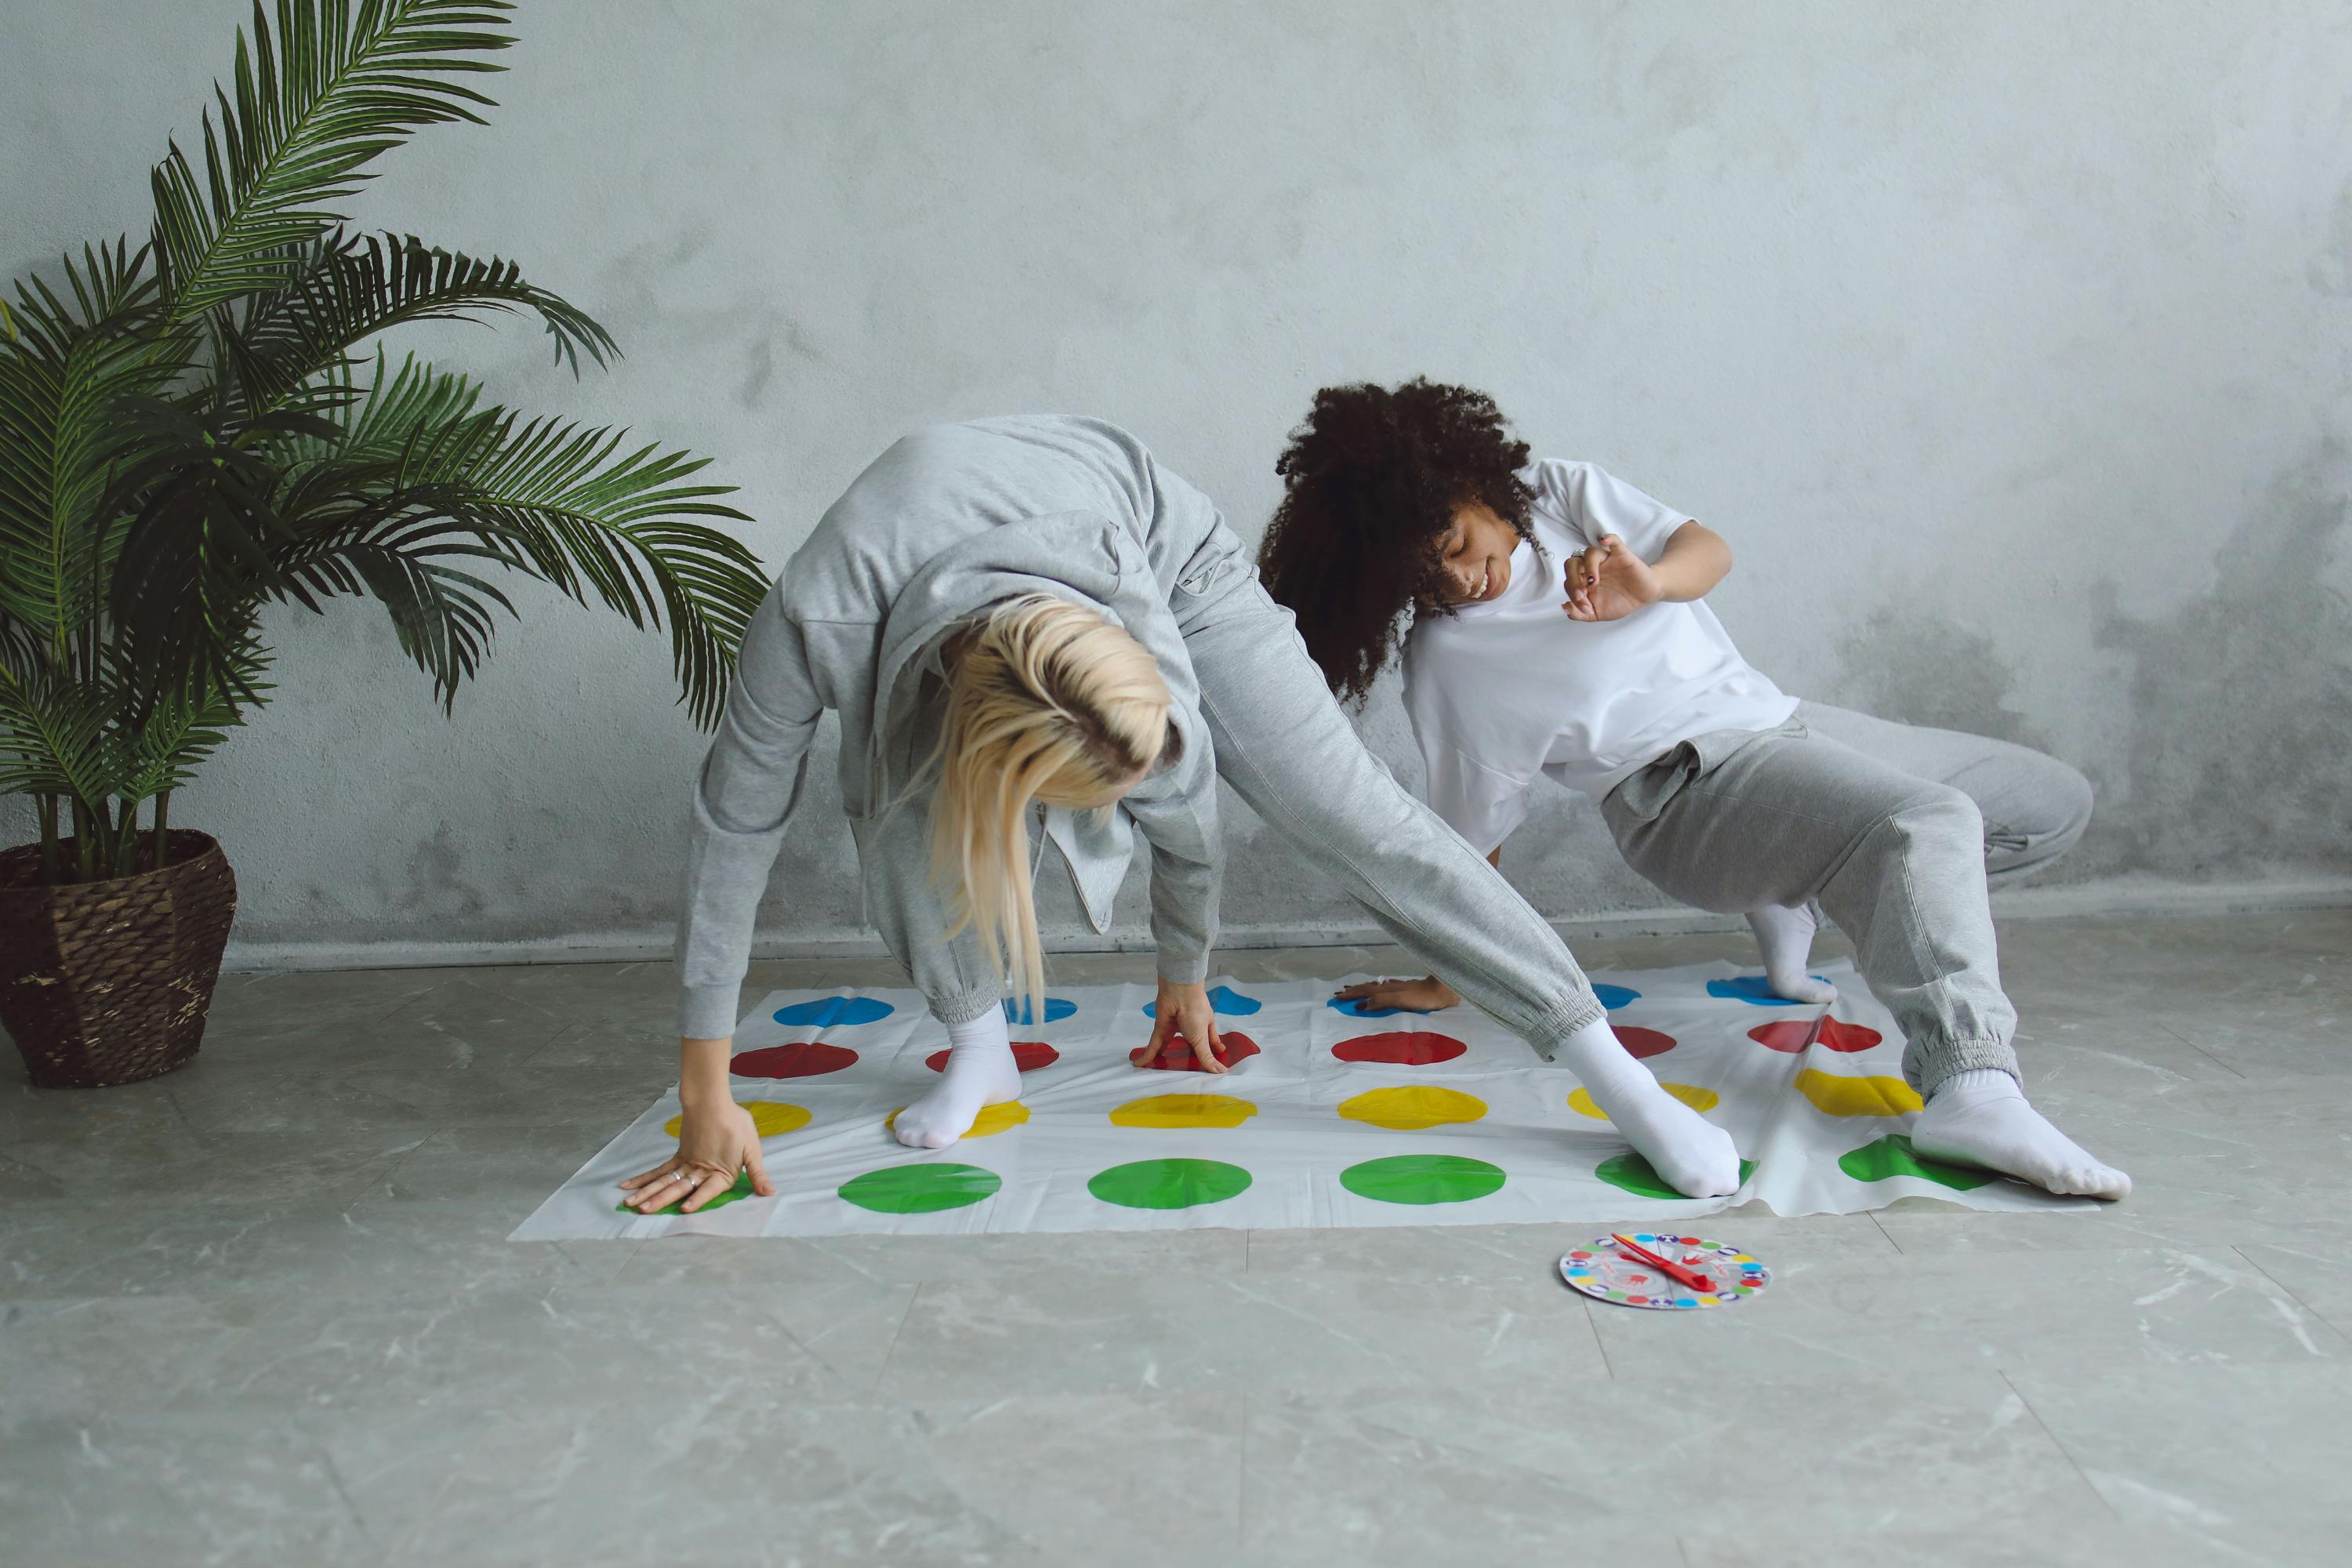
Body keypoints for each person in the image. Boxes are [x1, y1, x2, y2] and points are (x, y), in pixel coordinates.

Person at [623, 416, 1746, 1214]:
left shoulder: (1126, 584)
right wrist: (704, 1093)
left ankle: (1622, 1080)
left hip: (1158, 551)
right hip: (920, 593)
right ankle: (979, 1046)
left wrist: (1184, 974)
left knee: (1358, 816)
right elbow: (733, 831)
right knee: (893, 808)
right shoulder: (816, 623)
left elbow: (1185, 800)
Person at [1258, 380, 2129, 1200]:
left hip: (1781, 720)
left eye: (1453, 546)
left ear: (1474, 485)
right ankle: (1970, 1086)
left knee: (2047, 805)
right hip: (1681, 793)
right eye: (1421, 581)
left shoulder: (1561, 494)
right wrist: (1446, 975)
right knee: (1926, 820)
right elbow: (1466, 843)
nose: (1457, 582)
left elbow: (1708, 551)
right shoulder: (1450, 663)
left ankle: (1802, 883)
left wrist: (1652, 583)